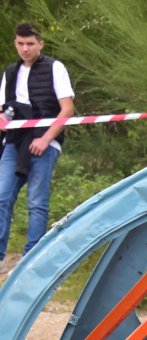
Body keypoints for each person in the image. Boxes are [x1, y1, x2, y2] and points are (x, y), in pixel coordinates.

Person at [0, 22, 74, 272]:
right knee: (1, 197)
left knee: (36, 201)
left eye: (30, 43)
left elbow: (67, 110)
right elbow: (2, 113)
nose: (25, 48)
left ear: (40, 43)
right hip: (14, 141)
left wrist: (45, 139)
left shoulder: (55, 68)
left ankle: (31, 260)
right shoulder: (10, 72)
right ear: (15, 43)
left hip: (46, 141)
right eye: (20, 43)